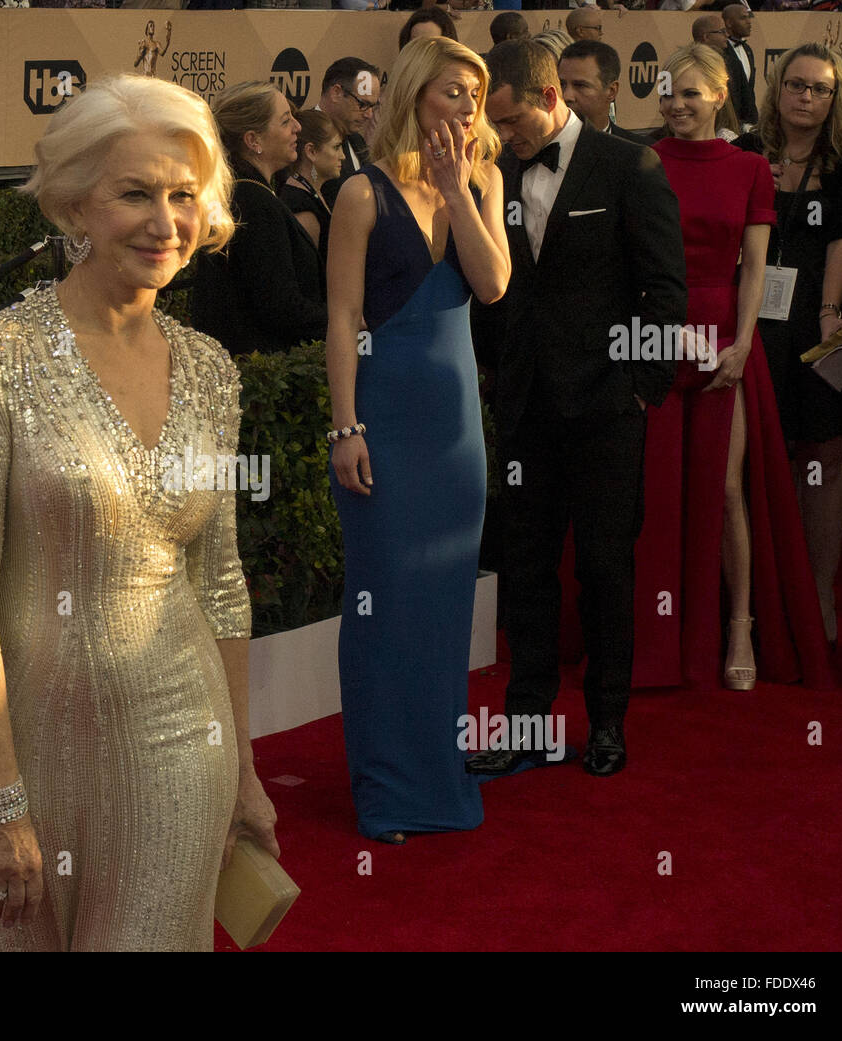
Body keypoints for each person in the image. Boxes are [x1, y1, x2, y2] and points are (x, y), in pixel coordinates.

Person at [0, 74, 280, 951]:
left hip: (178, 741)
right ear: (75, 203)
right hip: (23, 754)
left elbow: (223, 584)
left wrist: (240, 766)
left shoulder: (210, 369)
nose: (166, 222)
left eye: (184, 195)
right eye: (135, 193)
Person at [466, 40, 687, 778]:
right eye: (493, 125)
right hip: (525, 410)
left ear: (551, 94)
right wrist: (492, 371)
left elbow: (664, 289)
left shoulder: (629, 166)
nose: (504, 136)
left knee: (604, 569)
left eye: (512, 119)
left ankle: (607, 723)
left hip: (604, 410)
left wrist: (639, 387)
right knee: (525, 572)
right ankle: (525, 726)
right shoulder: (493, 172)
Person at [327, 36, 510, 843]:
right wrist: (346, 427)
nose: (467, 107)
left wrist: (456, 189)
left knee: (441, 609)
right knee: (382, 607)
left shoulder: (485, 176)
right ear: (413, 96)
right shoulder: (361, 195)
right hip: (385, 417)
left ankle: (436, 774)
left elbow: (494, 283)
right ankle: (384, 788)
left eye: (474, 93)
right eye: (450, 93)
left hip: (456, 429)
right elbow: (339, 322)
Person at [632, 44, 833, 692]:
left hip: (723, 337)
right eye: (668, 92)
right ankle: (656, 637)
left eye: (690, 93)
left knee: (724, 490)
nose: (676, 104)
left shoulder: (749, 167)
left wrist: (744, 343)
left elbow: (755, 266)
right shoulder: (645, 161)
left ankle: (739, 625)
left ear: (720, 95)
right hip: (658, 334)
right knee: (656, 491)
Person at [739, 44, 842, 647]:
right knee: (763, 456)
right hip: (754, 322)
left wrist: (829, 314)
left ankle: (817, 591)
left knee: (824, 456)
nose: (807, 97)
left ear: (835, 97)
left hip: (821, 320)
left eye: (820, 88)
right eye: (797, 85)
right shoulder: (743, 152)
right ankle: (761, 594)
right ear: (777, 88)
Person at [191, 82, 328, 354]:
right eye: (286, 121)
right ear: (254, 141)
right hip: (260, 376)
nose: (298, 128)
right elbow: (280, 306)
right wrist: (343, 321)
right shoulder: (252, 201)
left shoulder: (246, 192)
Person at [278, 108, 344, 265]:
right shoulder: (303, 209)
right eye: (336, 147)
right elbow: (307, 275)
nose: (343, 155)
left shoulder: (311, 192)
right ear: (311, 151)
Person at [316, 58, 383, 209]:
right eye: (363, 104)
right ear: (336, 93)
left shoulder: (357, 141)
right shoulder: (302, 138)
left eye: (373, 106)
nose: (369, 115)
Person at [559, 40, 642, 141]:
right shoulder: (539, 150)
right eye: (561, 84)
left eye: (580, 85)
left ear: (611, 91)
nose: (566, 96)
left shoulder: (640, 151)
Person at [722, 3, 758, 129]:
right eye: (743, 18)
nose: (749, 22)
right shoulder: (721, 52)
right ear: (729, 23)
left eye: (748, 17)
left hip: (748, 121)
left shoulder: (748, 50)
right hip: (728, 122)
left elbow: (749, 89)